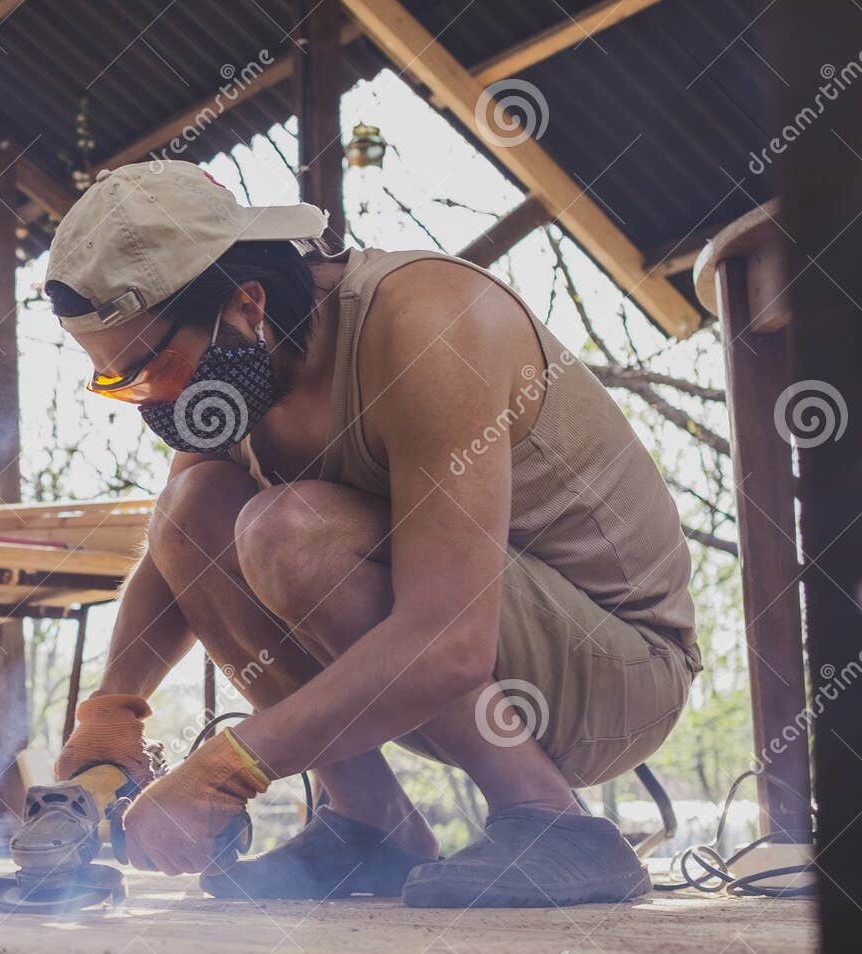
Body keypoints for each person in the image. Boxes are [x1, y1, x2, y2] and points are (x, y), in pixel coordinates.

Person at [34, 161, 699, 908]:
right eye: (118, 383)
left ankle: (551, 822)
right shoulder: (237, 375)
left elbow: (450, 642)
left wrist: (233, 767)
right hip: (464, 670)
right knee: (194, 503)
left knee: (290, 531)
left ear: (246, 305)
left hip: (616, 670)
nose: (149, 402)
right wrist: (112, 714)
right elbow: (178, 544)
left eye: (150, 369)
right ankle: (371, 828)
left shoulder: (426, 324)